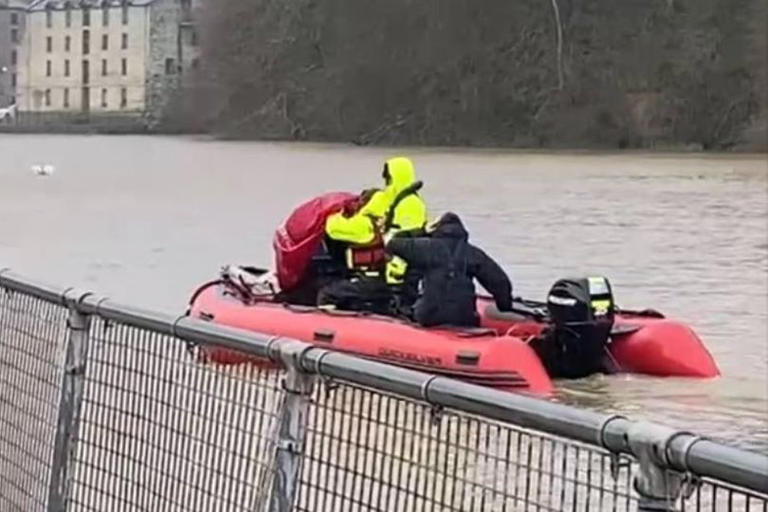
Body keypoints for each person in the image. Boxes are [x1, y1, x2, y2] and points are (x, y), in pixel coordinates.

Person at [318, 157, 427, 313]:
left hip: (379, 280)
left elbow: (332, 228)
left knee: (328, 294)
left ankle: (328, 328)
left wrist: (339, 213)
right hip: (402, 281)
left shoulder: (368, 223)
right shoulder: (410, 205)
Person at [385, 212, 513, 327]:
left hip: (429, 316)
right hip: (463, 317)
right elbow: (500, 282)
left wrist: (420, 232)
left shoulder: (425, 247)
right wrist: (504, 306)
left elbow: (393, 243)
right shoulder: (473, 253)